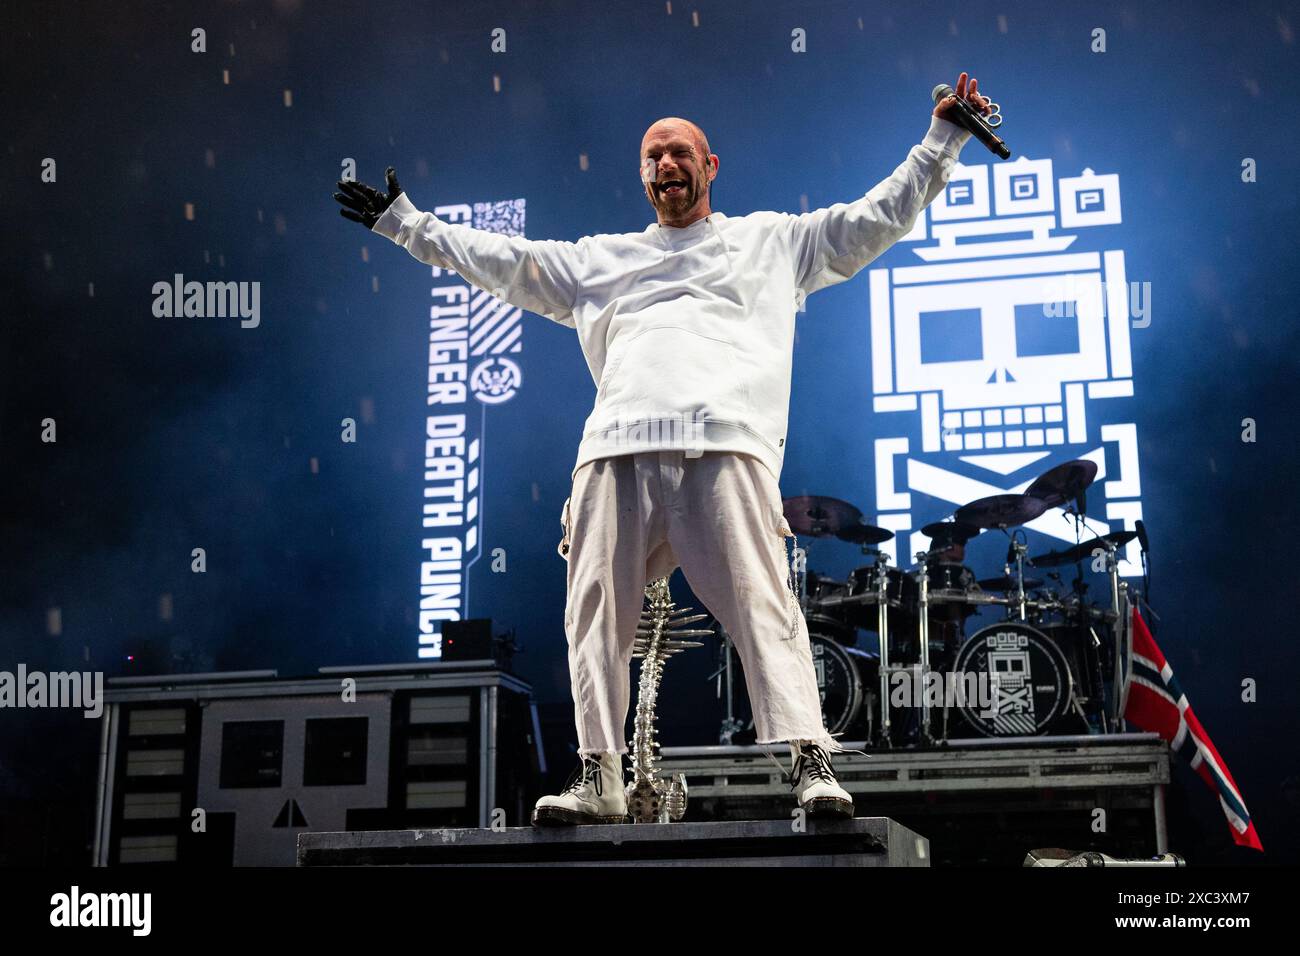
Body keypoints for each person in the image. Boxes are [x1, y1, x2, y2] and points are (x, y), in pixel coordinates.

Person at [336, 73, 992, 825]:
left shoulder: (772, 241)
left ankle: (809, 759)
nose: (665, 164)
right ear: (642, 175)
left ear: (712, 166)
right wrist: (404, 224)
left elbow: (877, 217)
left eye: (680, 151)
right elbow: (502, 261)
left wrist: (944, 138)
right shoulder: (600, 261)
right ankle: (600, 776)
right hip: (614, 450)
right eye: (652, 156)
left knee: (763, 604)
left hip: (726, 447)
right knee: (593, 616)